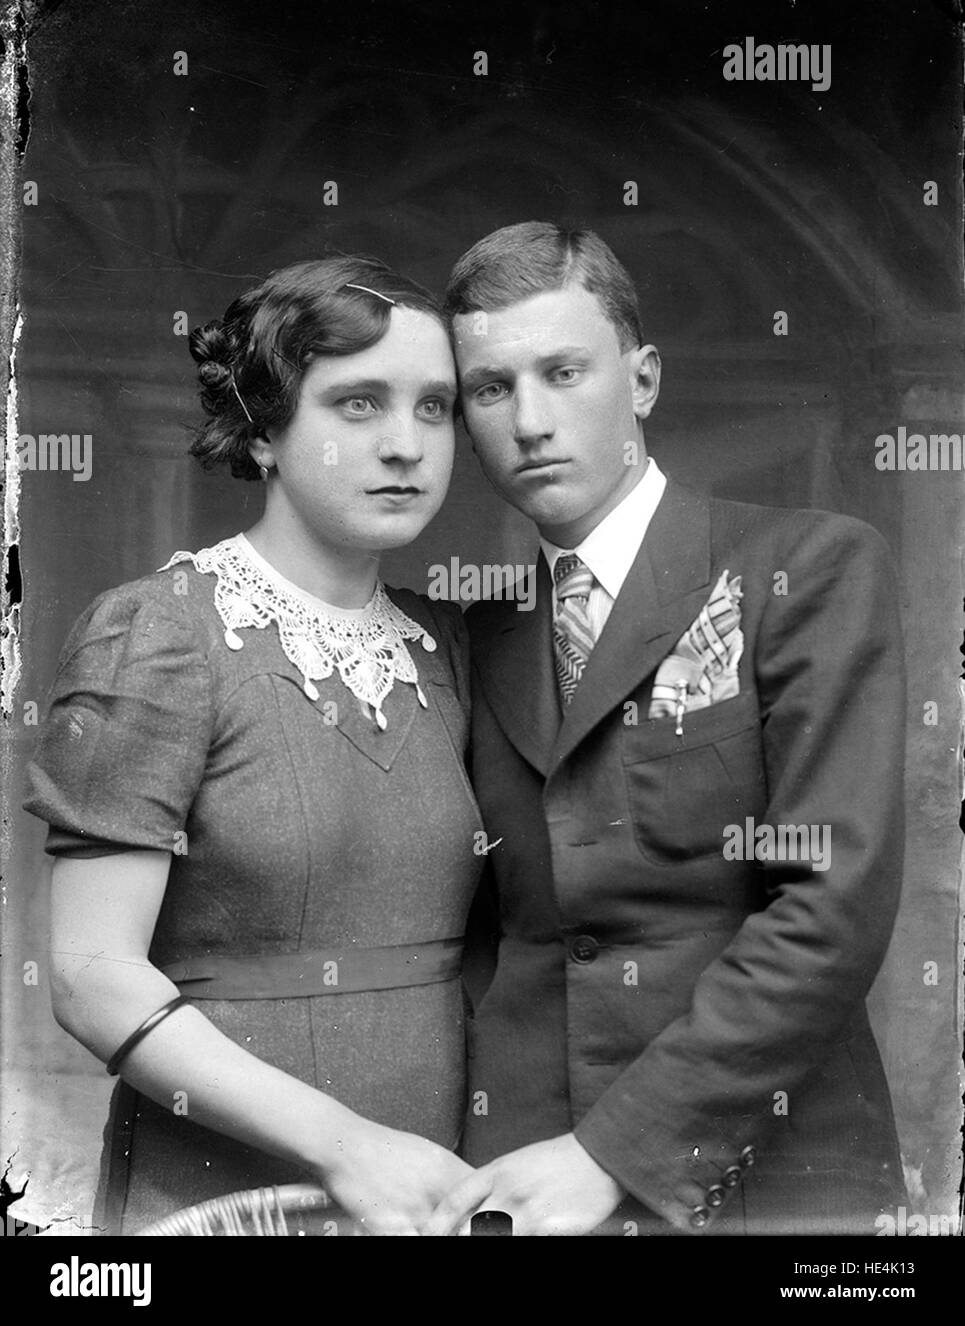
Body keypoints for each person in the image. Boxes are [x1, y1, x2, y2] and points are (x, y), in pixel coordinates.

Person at [425, 221, 906, 1237]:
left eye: (563, 371)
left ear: (640, 379)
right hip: (519, 1174)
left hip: (766, 1170)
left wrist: (614, 1151)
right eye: (490, 388)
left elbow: (829, 910)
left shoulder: (805, 569)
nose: (530, 420)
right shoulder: (477, 636)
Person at [24, 256, 484, 1236]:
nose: (404, 445)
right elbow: (90, 974)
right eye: (358, 404)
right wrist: (346, 1146)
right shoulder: (158, 630)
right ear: (266, 427)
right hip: (219, 1197)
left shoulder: (449, 649)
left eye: (434, 408)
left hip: (437, 1187)